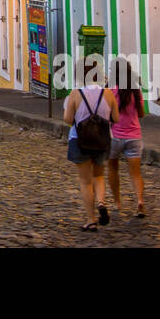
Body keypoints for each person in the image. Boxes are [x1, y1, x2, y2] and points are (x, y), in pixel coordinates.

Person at [62, 69, 119, 232]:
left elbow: (67, 119)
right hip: (102, 140)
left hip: (80, 141)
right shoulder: (108, 94)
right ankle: (101, 202)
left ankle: (91, 220)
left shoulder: (75, 94)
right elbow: (116, 118)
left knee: (86, 182)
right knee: (99, 176)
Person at [106, 58, 147, 219]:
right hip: (134, 137)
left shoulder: (111, 91)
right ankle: (140, 201)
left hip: (114, 136)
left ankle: (117, 202)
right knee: (136, 173)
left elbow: (107, 113)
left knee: (113, 168)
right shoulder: (135, 91)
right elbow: (141, 113)